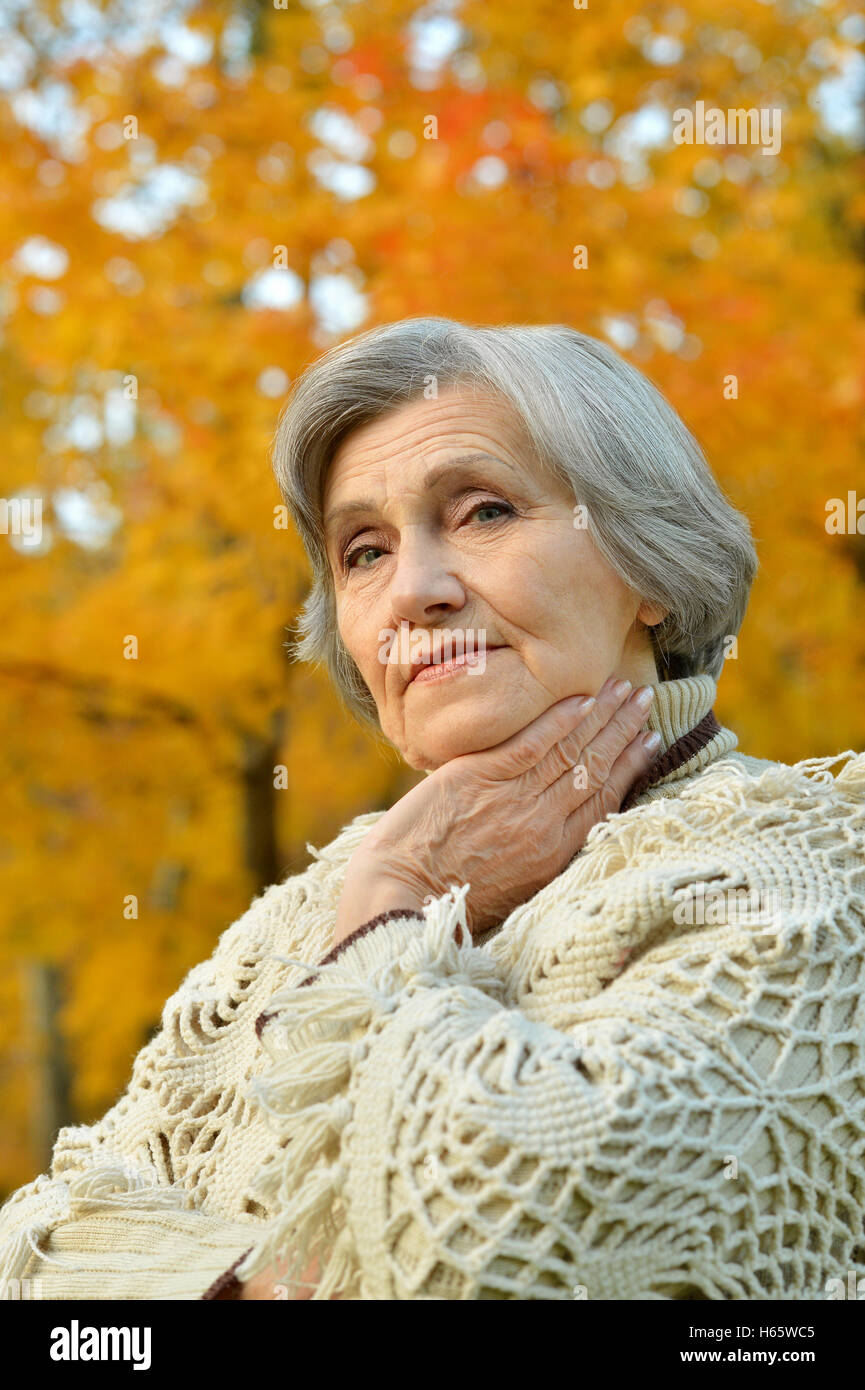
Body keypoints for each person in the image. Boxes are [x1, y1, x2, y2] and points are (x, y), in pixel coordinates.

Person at [2, 317, 863, 1301]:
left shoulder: (810, 876)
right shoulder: (289, 921)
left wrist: (390, 909)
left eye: (484, 511)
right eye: (362, 550)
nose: (413, 589)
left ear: (646, 568)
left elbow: (492, 1256)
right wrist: (262, 1283)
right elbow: (35, 1241)